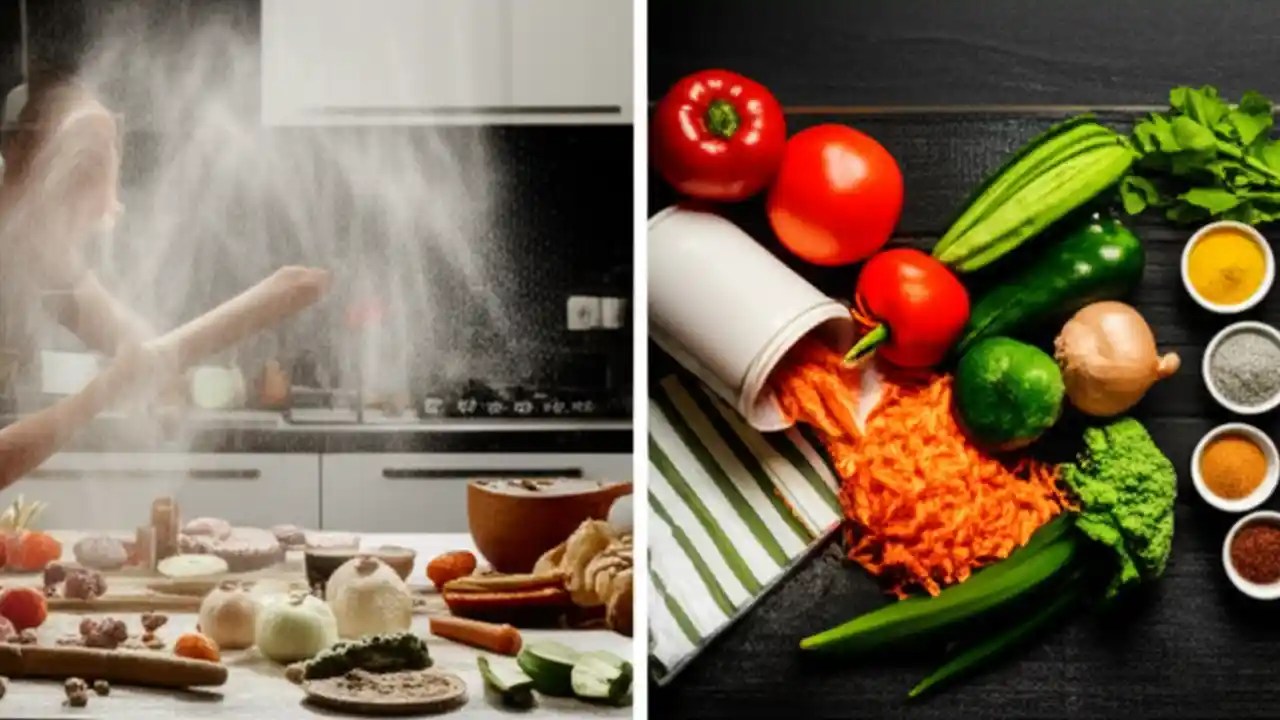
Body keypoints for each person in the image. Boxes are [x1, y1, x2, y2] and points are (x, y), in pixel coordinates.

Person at [0, 67, 329, 490]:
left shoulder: (35, 235)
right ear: (24, 169)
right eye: (71, 213)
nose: (74, 238)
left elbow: (125, 336)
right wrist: (103, 392)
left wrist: (165, 379)